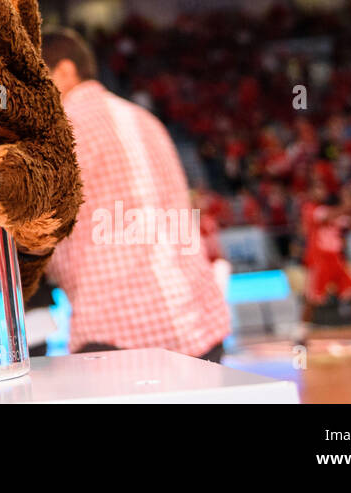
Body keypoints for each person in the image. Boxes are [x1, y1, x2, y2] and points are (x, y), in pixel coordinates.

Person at [42, 29, 231, 362]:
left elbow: (39, 232)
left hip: (116, 331)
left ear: (65, 71)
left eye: (35, 77)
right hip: (200, 322)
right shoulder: (145, 119)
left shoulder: (61, 130)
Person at [294, 182, 351, 345]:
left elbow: (349, 226)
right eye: (317, 188)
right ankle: (299, 335)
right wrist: (348, 202)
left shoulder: (333, 210)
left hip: (337, 260)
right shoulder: (310, 209)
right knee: (312, 299)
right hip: (320, 261)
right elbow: (329, 215)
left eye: (322, 188)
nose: (320, 191)